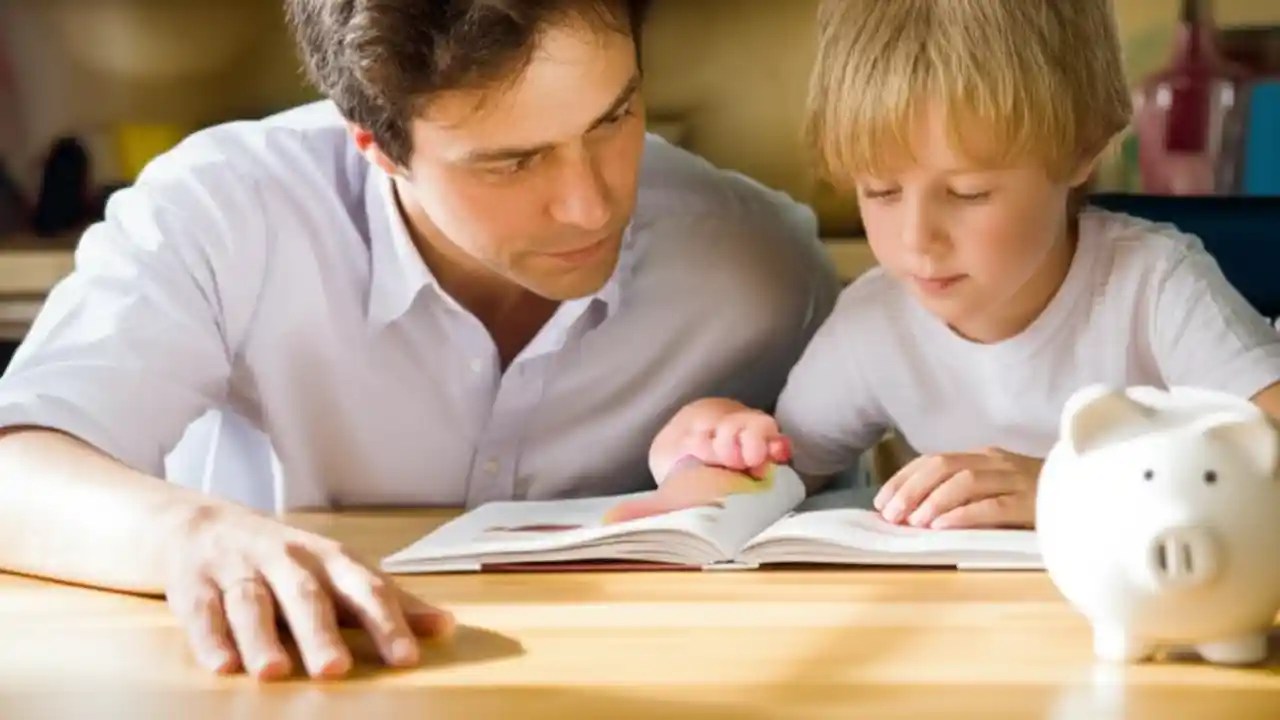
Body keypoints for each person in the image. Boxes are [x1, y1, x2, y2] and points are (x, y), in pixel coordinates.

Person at [0, 0, 837, 680]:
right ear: (377, 149)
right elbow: (15, 469)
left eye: (612, 118)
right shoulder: (224, 212)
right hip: (290, 687)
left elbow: (837, 522)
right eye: (511, 162)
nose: (590, 205)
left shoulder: (757, 268)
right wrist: (194, 536)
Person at [646, 0, 1280, 532]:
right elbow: (782, 473)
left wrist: (1066, 488)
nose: (917, 240)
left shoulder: (1154, 285)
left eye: (970, 192)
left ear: (1083, 150)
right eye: (880, 191)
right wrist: (711, 450)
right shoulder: (875, 322)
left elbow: (1269, 452)